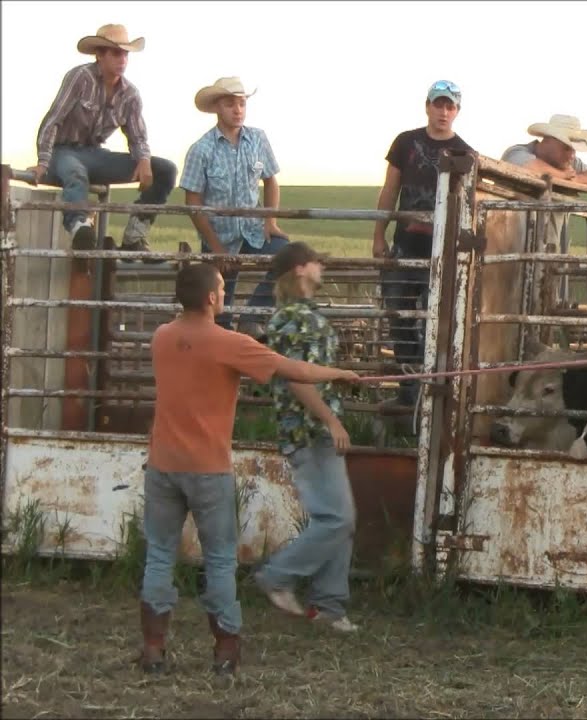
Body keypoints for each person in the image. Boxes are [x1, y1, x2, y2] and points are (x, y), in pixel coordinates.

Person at [139, 263, 360, 677]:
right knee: (220, 560)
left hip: (163, 466)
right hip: (207, 469)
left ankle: (153, 650)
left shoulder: (162, 337)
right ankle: (225, 653)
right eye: (221, 289)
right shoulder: (229, 343)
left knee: (159, 555)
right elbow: (295, 370)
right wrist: (340, 373)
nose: (224, 294)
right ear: (210, 298)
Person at [254, 242, 359, 633]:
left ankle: (329, 606)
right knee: (337, 518)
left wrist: (337, 383)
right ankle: (278, 575)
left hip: (312, 428)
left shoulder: (301, 316)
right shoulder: (296, 319)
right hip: (309, 430)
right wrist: (331, 420)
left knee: (339, 518)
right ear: (300, 269)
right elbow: (296, 378)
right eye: (317, 261)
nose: (321, 267)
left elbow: (310, 374)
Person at [31, 24, 177, 258]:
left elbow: (137, 134)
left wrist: (144, 159)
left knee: (166, 170)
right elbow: (53, 119)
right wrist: (43, 161)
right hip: (64, 151)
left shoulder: (130, 94)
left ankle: (134, 236)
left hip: (96, 154)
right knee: (75, 172)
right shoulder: (80, 77)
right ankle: (80, 228)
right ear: (99, 55)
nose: (123, 59)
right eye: (116, 53)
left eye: (125, 53)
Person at [373, 79, 474, 408]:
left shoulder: (465, 153)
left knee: (436, 321)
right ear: (427, 106)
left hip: (441, 251)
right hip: (404, 244)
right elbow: (390, 189)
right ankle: (408, 393)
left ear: (457, 111)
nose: (443, 112)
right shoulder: (406, 143)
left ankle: (428, 398)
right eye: (438, 104)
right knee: (399, 317)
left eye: (450, 106)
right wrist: (378, 235)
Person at [180, 77, 286, 336]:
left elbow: (271, 181)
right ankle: (225, 353)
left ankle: (251, 316)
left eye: (241, 104)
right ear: (217, 107)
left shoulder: (258, 139)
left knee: (289, 257)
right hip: (220, 236)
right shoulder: (201, 150)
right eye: (230, 104)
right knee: (219, 310)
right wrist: (216, 248)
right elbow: (193, 202)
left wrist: (270, 222)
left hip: (253, 230)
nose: (238, 110)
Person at [500, 114, 587, 189]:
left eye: (574, 149)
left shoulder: (566, 161)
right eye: (566, 148)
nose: (572, 156)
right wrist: (564, 175)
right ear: (548, 141)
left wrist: (576, 178)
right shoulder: (516, 152)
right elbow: (529, 166)